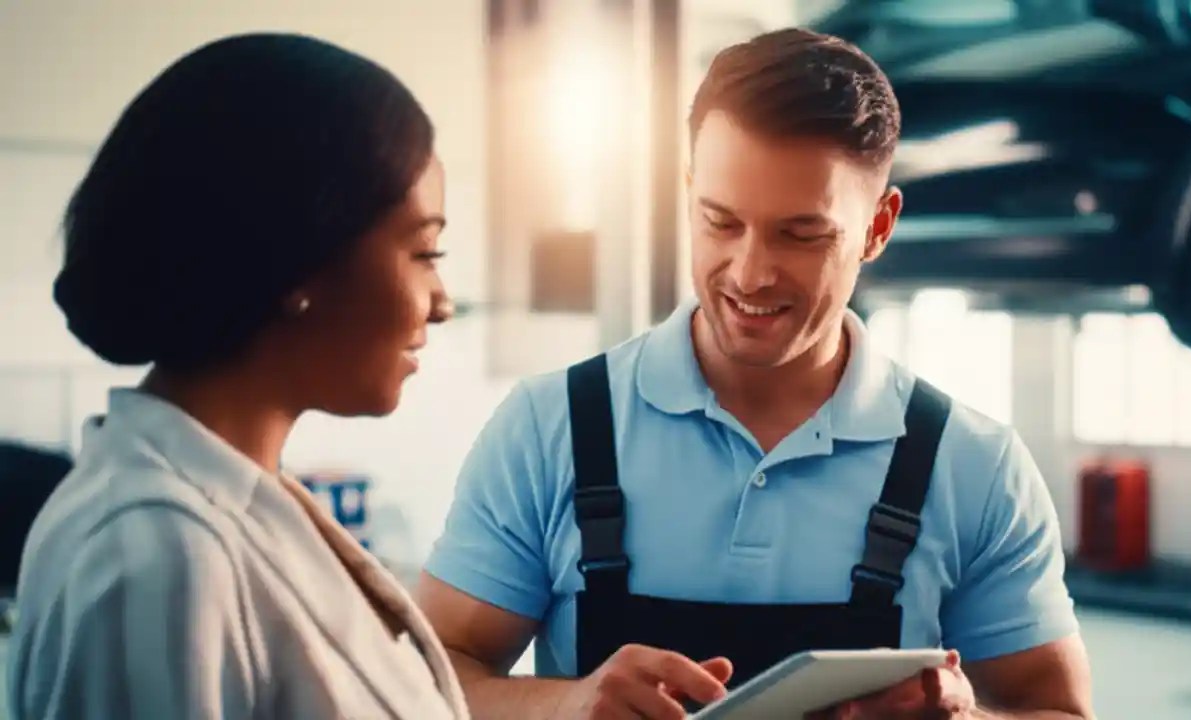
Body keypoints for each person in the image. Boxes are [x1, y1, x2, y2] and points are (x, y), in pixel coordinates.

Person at [418, 27, 1094, 720]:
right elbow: (421, 682)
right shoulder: (547, 429)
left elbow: (1058, 711)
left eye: (801, 234)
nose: (749, 274)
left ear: (877, 227)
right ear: (689, 193)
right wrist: (565, 707)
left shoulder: (974, 468)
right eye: (721, 222)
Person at [9, 33, 468, 720]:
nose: (442, 302)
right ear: (302, 260)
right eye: (424, 253)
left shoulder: (234, 504)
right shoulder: (161, 555)